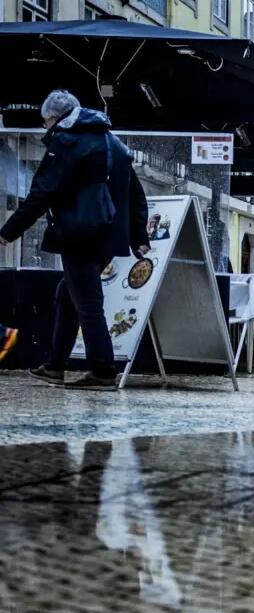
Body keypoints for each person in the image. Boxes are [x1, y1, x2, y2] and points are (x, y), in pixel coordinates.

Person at [0, 90, 150, 391]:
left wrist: (8, 231)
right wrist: (138, 236)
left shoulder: (67, 142)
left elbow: (43, 193)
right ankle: (55, 365)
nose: (47, 128)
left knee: (88, 303)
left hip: (80, 235)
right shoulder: (115, 143)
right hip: (108, 237)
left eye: (47, 122)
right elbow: (134, 192)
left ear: (56, 119)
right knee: (67, 294)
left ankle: (103, 371)